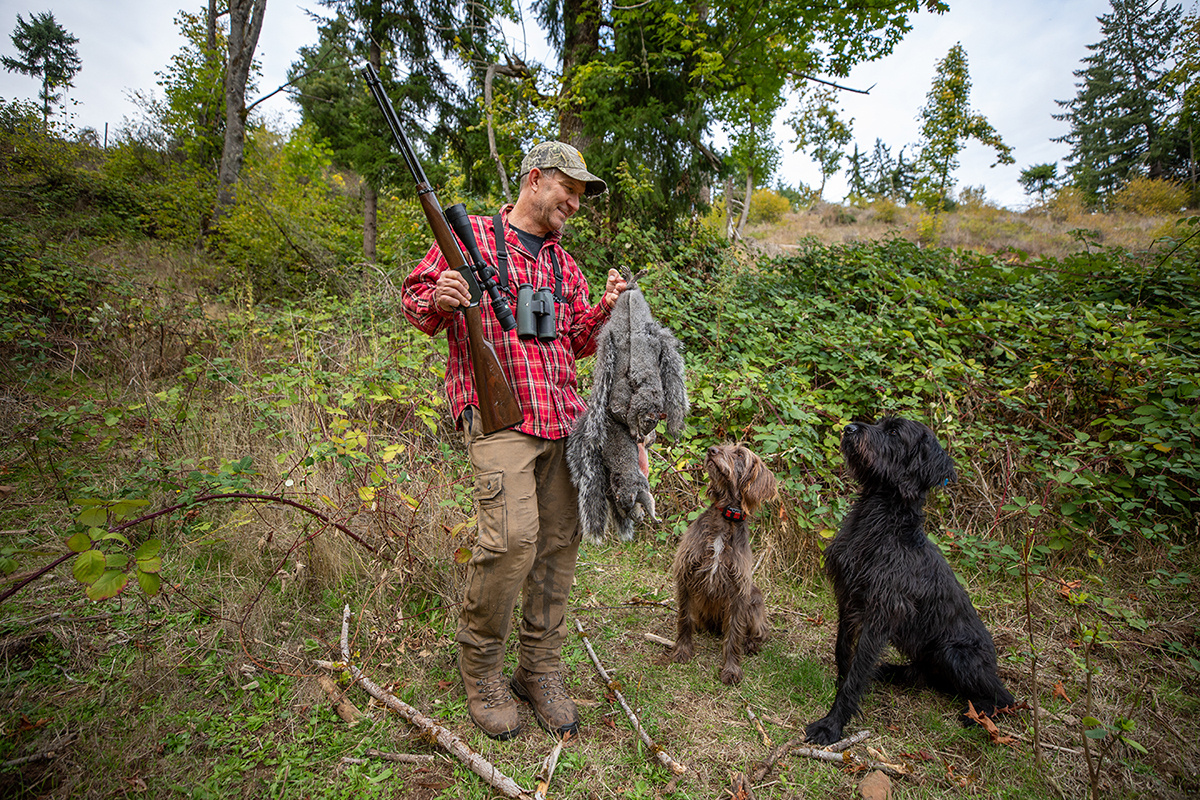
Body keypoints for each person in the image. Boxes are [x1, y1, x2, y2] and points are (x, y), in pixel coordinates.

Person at [401, 141, 628, 740]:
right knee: (510, 540)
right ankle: (481, 669)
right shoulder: (468, 235)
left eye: (580, 195)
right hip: (500, 416)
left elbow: (577, 339)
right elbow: (417, 303)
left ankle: (540, 668)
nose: (574, 203)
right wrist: (440, 296)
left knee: (557, 543)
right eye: (568, 189)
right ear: (534, 179)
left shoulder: (563, 264)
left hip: (562, 416)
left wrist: (605, 307)